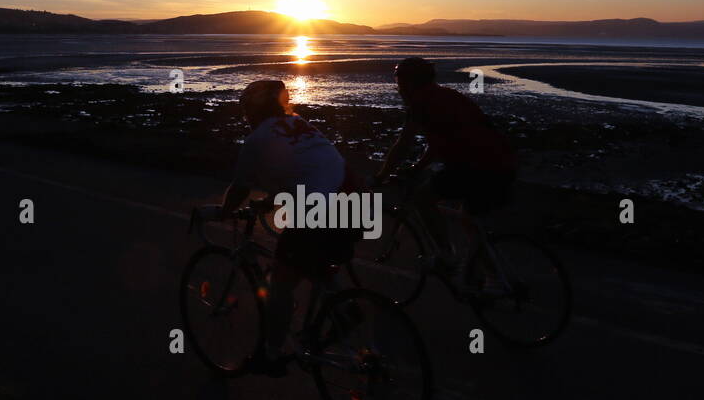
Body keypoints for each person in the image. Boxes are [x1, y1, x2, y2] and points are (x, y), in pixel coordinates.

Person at [218, 79, 362, 376]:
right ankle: (342, 311)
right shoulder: (299, 123)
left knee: (281, 282)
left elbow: (240, 188)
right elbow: (304, 168)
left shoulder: (256, 139)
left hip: (322, 208)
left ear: (251, 111)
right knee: (315, 261)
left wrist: (222, 212)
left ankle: (270, 356)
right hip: (355, 198)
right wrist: (271, 201)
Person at [376, 57, 518, 271]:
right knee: (469, 219)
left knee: (422, 199)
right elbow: (439, 144)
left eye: (400, 84)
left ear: (409, 83)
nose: (399, 89)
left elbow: (404, 144)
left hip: (477, 166)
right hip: (501, 162)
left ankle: (446, 255)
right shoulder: (446, 96)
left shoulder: (421, 103)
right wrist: (417, 167)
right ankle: (489, 276)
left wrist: (382, 175)